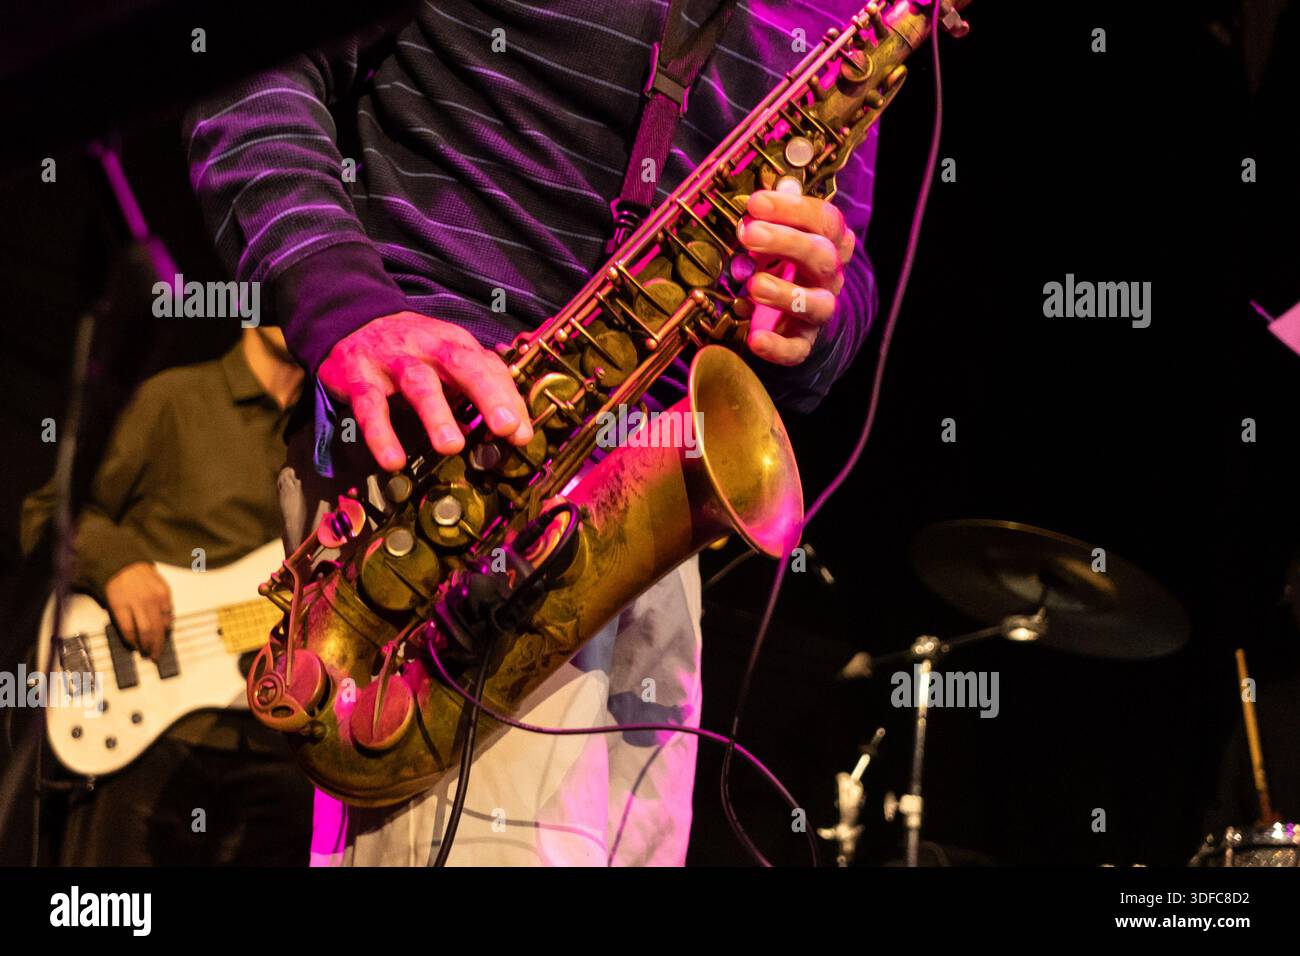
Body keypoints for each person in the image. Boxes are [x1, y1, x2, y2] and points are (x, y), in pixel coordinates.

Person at [183, 0, 878, 865]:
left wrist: (818, 301)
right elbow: (246, 73)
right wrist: (345, 306)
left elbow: (841, 283)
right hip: (446, 488)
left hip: (653, 510)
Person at [20, 326, 314, 865]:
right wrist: (116, 565)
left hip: (279, 751)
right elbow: (46, 513)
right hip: (149, 734)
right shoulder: (174, 399)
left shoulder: (332, 443)